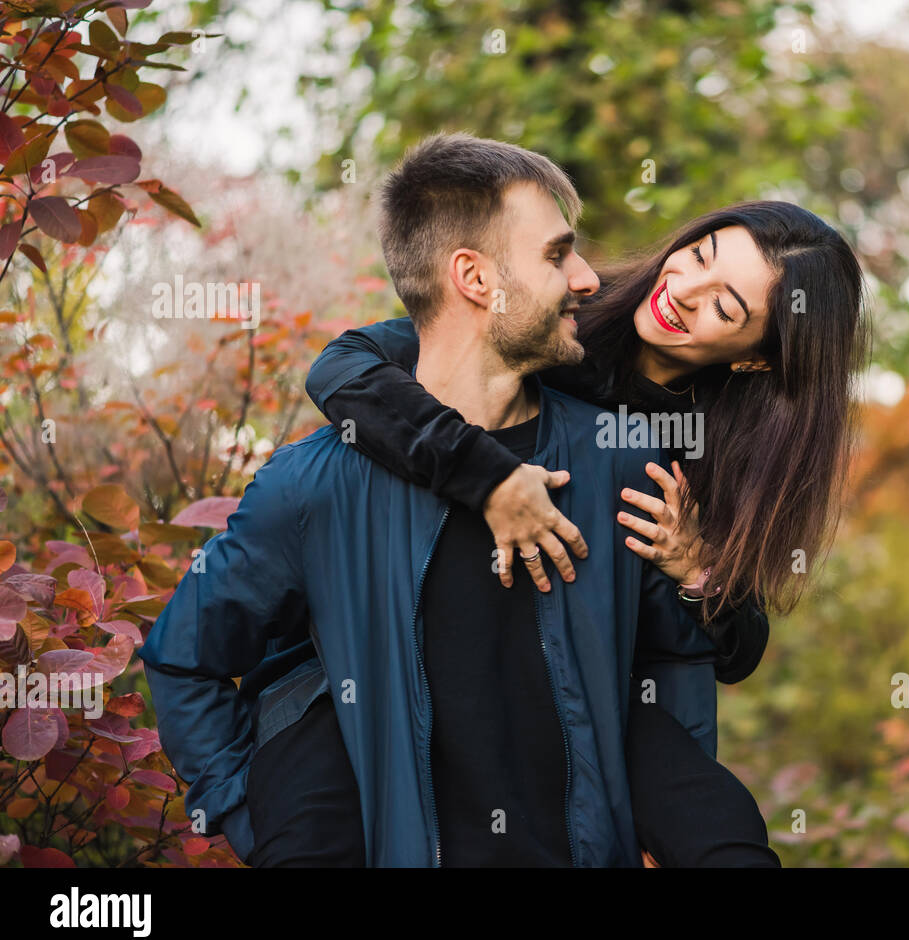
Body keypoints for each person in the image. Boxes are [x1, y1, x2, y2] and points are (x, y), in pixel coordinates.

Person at [139, 132, 775, 867]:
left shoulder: (629, 458)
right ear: (474, 278)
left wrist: (671, 823)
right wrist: (260, 818)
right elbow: (186, 661)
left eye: (727, 305)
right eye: (556, 254)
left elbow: (678, 661)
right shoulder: (316, 483)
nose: (588, 278)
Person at [297, 194, 870, 865]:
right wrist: (488, 476)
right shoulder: (554, 321)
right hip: (446, 644)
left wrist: (697, 568)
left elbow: (736, 646)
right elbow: (343, 368)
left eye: (725, 306)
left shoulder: (714, 453)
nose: (684, 291)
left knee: (724, 836)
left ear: (756, 359)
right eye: (699, 256)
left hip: (592, 690)